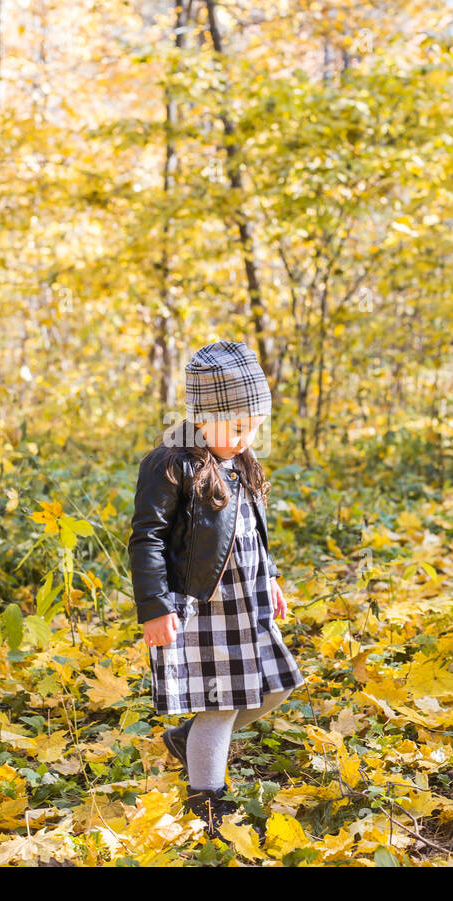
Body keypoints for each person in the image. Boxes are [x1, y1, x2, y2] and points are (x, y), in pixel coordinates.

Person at [128, 340, 305, 839]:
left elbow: (251, 525)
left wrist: (269, 577)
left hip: (244, 600)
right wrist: (154, 607)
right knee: (220, 704)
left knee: (278, 684)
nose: (248, 439)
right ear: (203, 417)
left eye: (255, 429)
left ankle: (189, 741)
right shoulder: (170, 462)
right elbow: (147, 539)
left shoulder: (238, 460)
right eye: (238, 427)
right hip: (198, 604)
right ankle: (206, 802)